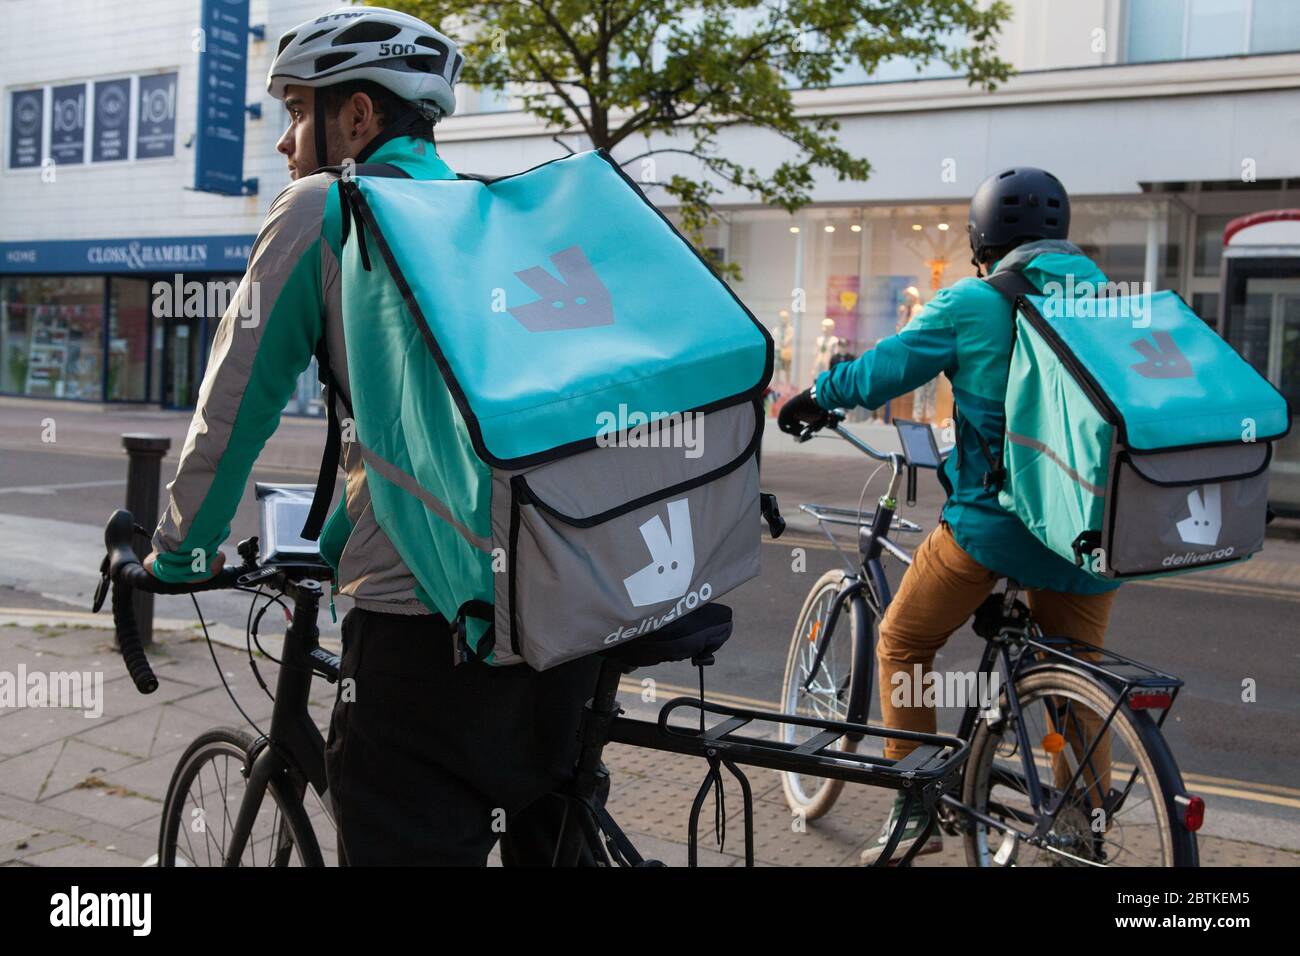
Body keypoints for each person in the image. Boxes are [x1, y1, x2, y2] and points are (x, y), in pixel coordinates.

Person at [144, 7, 600, 865]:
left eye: (295, 111)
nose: (285, 143)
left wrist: (178, 552)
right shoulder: (484, 216)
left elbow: (235, 401)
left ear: (356, 118)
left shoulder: (326, 208)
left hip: (422, 632)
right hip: (559, 616)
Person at [779, 167, 1122, 863]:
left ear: (982, 239)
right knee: (1079, 674)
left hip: (996, 526)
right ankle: (1082, 823)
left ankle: (914, 805)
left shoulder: (973, 301)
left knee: (903, 642)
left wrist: (818, 393)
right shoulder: (1114, 301)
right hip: (1096, 535)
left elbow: (881, 373)